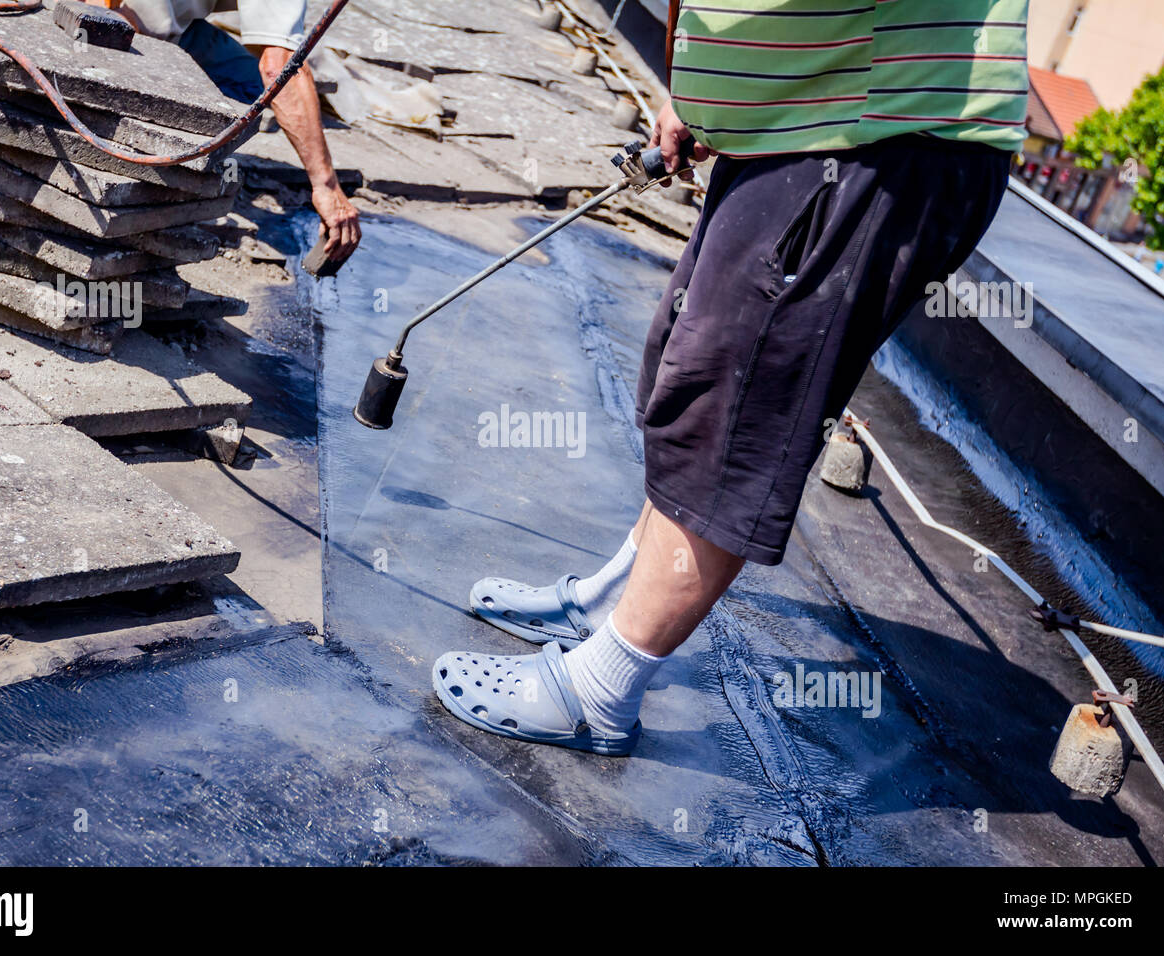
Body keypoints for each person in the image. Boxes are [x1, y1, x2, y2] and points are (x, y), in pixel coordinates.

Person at [433, 0, 1029, 754]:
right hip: (812, 119)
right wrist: (700, 92)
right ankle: (615, 599)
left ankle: (600, 692)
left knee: (736, 415)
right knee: (690, 368)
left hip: (880, 135)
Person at [108, 0, 360, 261]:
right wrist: (326, 186)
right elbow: (279, 68)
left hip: (173, 26)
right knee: (280, 86)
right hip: (116, 24)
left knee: (255, 86)